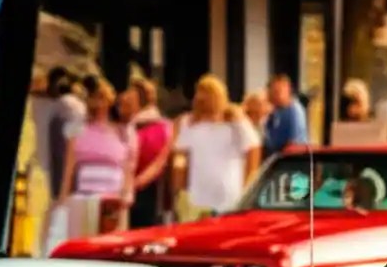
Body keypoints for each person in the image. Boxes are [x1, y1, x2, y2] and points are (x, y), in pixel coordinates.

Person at [173, 75, 262, 218]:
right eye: (199, 92)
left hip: (228, 198)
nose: (201, 97)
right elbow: (181, 155)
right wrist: (179, 185)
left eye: (207, 93)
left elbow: (254, 148)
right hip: (197, 198)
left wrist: (248, 185)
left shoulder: (235, 122)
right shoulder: (188, 123)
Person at [57, 79, 136, 234]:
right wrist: (63, 200)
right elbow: (69, 168)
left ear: (109, 100)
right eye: (93, 97)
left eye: (101, 97)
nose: (97, 103)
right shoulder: (77, 131)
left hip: (113, 201)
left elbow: (128, 168)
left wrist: (127, 195)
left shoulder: (122, 132)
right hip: (84, 198)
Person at [120, 79, 174, 229]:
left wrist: (134, 184)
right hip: (143, 194)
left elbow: (159, 164)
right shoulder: (165, 127)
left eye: (130, 99)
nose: (124, 99)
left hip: (144, 196)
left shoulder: (142, 130)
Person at [264, 74, 308, 156]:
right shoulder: (275, 111)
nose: (274, 96)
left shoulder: (294, 111)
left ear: (288, 90)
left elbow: (294, 143)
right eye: (272, 92)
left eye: (278, 92)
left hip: (290, 160)